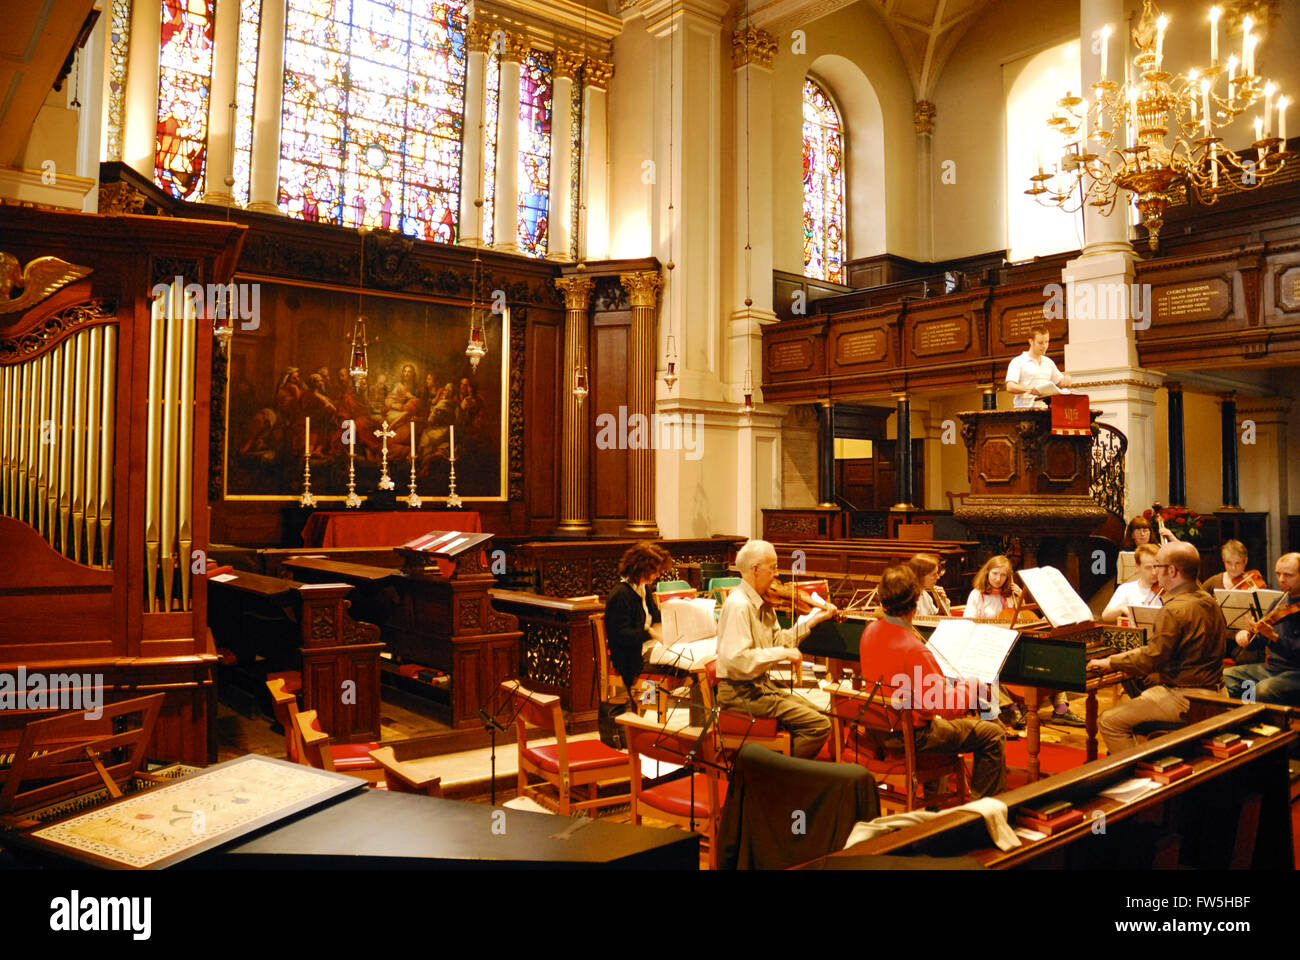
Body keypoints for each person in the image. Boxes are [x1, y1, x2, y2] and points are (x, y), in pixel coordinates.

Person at [859, 565, 1007, 799]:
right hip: (910, 736)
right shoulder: (913, 649)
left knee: (943, 723)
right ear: (917, 600)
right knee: (992, 735)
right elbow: (947, 708)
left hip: (877, 728)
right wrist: (972, 683)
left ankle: (933, 801)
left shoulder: (869, 631)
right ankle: (983, 812)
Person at [1088, 541, 1226, 754]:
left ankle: (1137, 780)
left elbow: (1151, 659)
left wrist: (1111, 661)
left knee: (1109, 721)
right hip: (1217, 691)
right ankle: (1152, 756)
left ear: (1172, 571)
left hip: (1187, 697)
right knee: (1144, 698)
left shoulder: (1174, 609)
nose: (1155, 572)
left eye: (1158, 566)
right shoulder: (1209, 601)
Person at [715, 540, 835, 758]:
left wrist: (813, 620)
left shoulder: (763, 603)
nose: (777, 574)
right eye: (773, 567)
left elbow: (780, 639)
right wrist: (783, 653)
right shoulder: (739, 605)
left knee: (823, 715)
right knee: (818, 725)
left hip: (760, 687)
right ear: (755, 569)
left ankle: (778, 766)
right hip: (740, 693)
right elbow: (736, 660)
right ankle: (778, 778)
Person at [1223, 553, 1300, 705]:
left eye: (1288, 575)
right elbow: (1261, 639)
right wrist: (1247, 636)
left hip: (1295, 672)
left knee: (1263, 690)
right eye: (1278, 574)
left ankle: (1262, 726)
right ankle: (1236, 722)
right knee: (1225, 677)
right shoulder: (1279, 602)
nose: (1281, 579)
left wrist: (1275, 638)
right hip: (1273, 668)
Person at [603, 542, 672, 697]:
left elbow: (655, 617)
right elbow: (621, 635)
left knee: (690, 663)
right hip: (631, 657)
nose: (658, 575)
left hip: (648, 649)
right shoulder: (620, 594)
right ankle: (647, 707)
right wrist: (650, 633)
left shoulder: (643, 588)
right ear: (642, 568)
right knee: (683, 667)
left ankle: (648, 707)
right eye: (655, 571)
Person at [1004, 324, 1071, 409]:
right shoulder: (1018, 361)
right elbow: (1010, 386)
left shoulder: (1048, 362)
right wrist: (1028, 389)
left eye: (1046, 342)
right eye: (1040, 343)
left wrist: (1067, 380)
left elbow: (1060, 383)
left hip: (1045, 409)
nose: (1044, 346)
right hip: (1025, 410)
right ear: (1031, 342)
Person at [1102, 543, 1163, 622]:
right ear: (1137, 567)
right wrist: (1122, 608)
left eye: (1156, 566)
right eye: (1148, 568)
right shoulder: (1126, 589)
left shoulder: (1167, 588)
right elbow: (1105, 616)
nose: (1154, 572)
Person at [963, 554, 1022, 621]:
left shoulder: (1010, 594)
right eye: (995, 573)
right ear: (987, 573)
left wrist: (1021, 599)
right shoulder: (976, 594)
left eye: (1003, 575)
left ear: (1008, 577)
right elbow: (968, 622)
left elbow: (1019, 619)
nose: (998, 579)